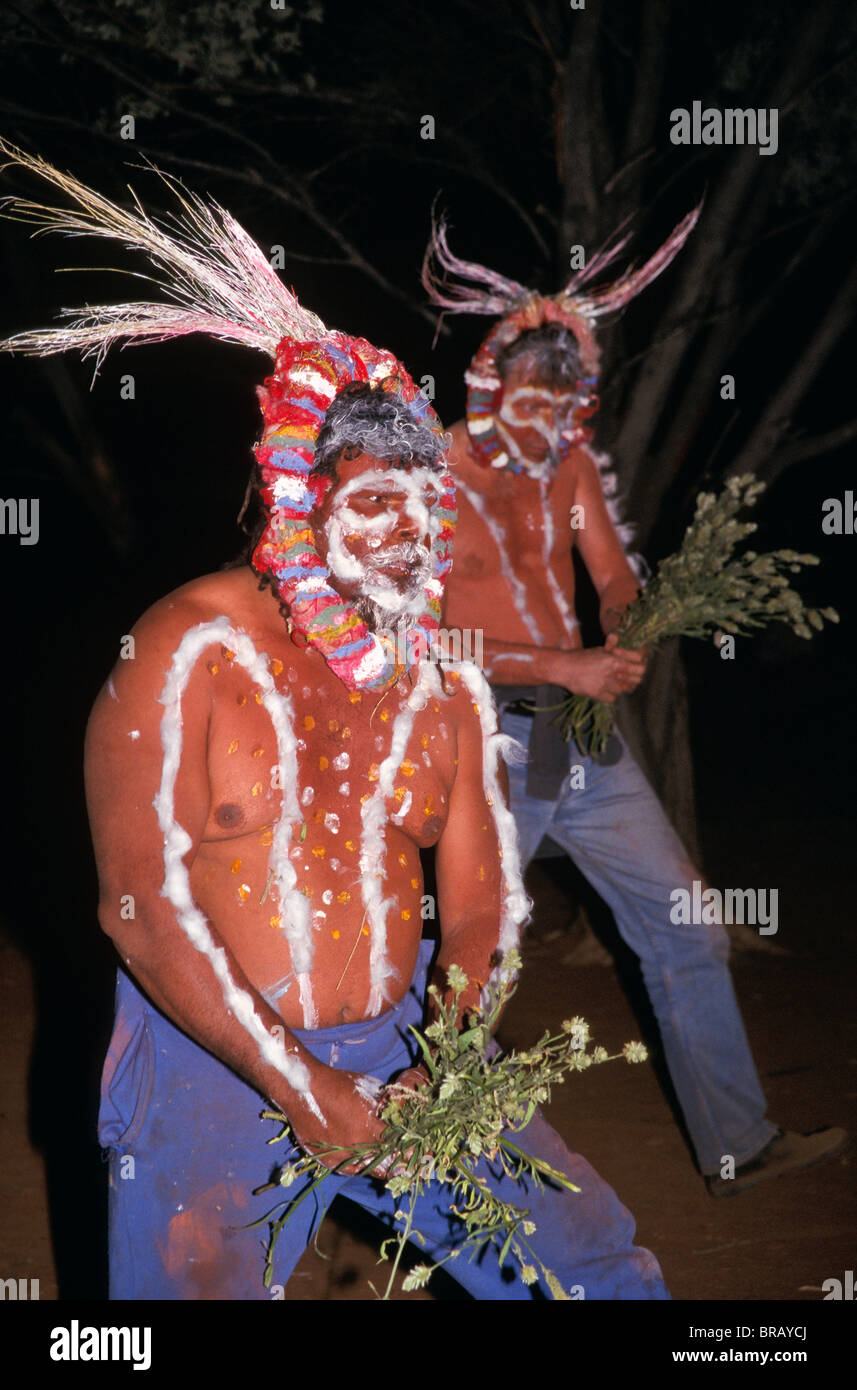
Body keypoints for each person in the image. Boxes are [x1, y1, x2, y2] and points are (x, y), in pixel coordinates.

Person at [1, 144, 668, 1299]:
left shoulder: (442, 679)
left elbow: (476, 902)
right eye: (374, 504)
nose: (408, 538)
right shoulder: (186, 645)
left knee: (594, 1269)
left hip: (397, 1045)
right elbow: (138, 903)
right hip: (207, 1062)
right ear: (302, 503)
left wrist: (443, 1054)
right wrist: (301, 1088)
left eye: (424, 509)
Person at [424, 213, 847, 1197]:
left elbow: (613, 576)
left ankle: (737, 1144)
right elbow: (426, 639)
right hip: (482, 737)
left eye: (561, 402)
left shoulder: (567, 467)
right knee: (476, 954)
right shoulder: (433, 474)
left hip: (582, 740)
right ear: (490, 386)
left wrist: (633, 628)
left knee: (687, 925)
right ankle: (427, 1155)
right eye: (530, 399)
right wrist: (558, 664)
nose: (545, 421)